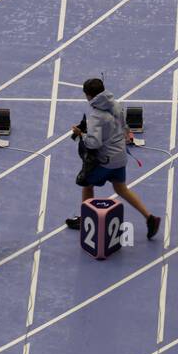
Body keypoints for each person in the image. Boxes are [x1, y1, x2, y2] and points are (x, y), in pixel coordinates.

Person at [65, 78, 160, 239]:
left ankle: (86, 220)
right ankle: (149, 217)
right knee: (121, 189)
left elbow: (93, 144)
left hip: (106, 161)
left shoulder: (96, 115)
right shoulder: (116, 104)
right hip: (121, 157)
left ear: (88, 95)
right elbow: (120, 127)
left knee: (87, 184)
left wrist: (81, 134)